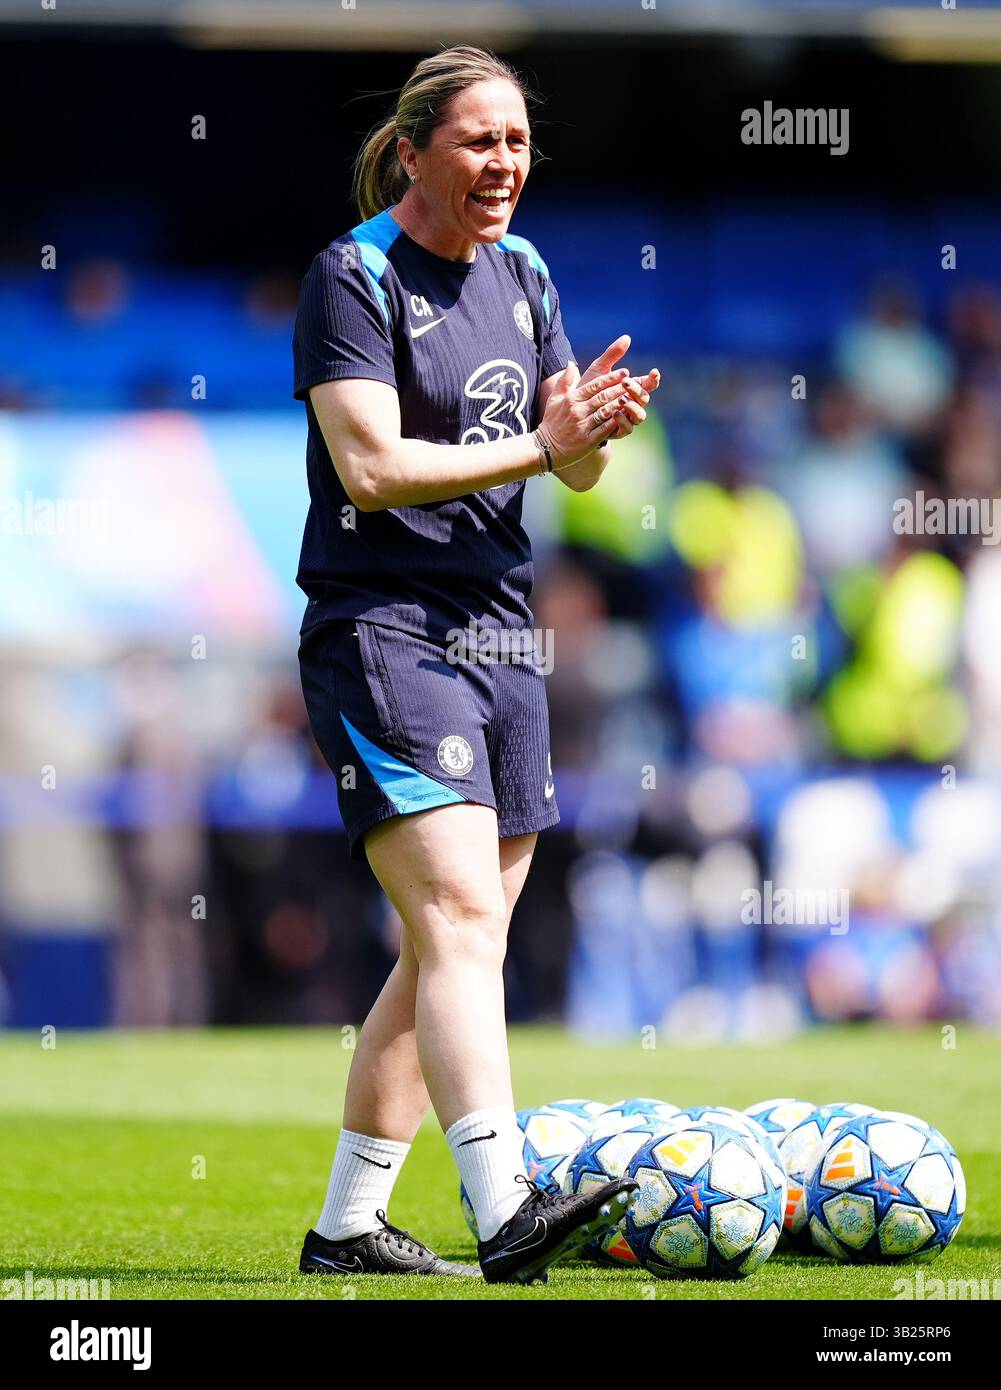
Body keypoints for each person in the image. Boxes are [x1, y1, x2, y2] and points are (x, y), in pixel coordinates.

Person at [293, 45, 660, 1284]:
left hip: (501, 635)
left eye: (516, 142)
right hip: (384, 627)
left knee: (455, 941)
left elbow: (569, 465)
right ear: (413, 151)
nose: (503, 164)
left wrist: (588, 437)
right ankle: (507, 1209)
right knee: (453, 917)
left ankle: (347, 1227)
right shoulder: (353, 276)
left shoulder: (526, 271)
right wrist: (539, 444)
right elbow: (372, 470)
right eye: (476, 141)